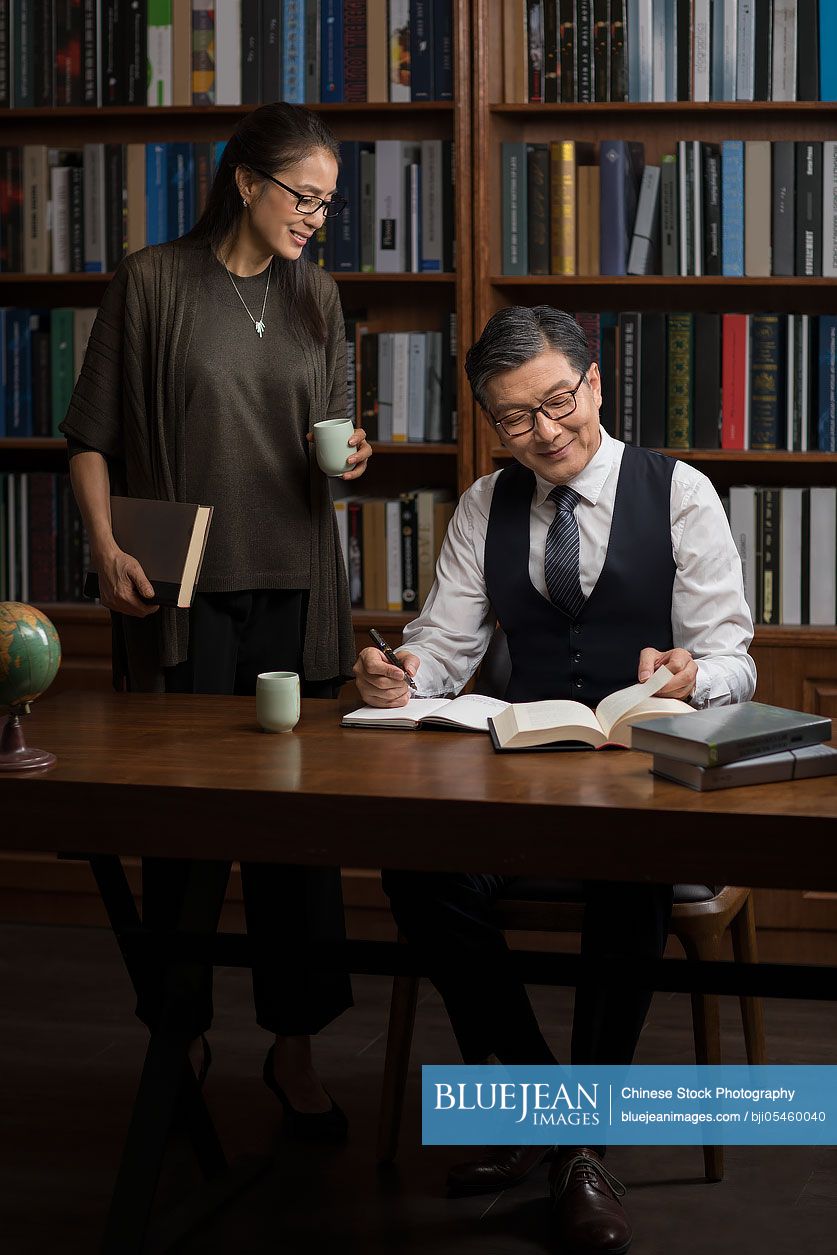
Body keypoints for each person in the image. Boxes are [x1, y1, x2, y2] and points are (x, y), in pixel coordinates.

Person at [354, 306, 756, 1249]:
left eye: (557, 401)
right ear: (491, 422)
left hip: (644, 776)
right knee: (413, 865)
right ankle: (560, 1118)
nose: (543, 431)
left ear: (593, 383)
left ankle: (575, 1145)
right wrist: (401, 672)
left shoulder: (679, 492)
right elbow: (442, 647)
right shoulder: (484, 504)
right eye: (514, 417)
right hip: (519, 776)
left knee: (630, 868)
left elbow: (733, 658)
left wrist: (693, 674)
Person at [60, 102, 372, 1141]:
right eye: (303, 197)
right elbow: (91, 438)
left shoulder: (318, 296)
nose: (315, 218)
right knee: (183, 833)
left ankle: (295, 1045)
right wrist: (106, 545)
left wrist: (354, 453)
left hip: (298, 591)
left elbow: (333, 432)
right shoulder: (152, 282)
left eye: (328, 203)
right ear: (246, 181)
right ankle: (179, 1032)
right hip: (182, 593)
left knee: (298, 839)